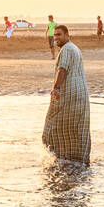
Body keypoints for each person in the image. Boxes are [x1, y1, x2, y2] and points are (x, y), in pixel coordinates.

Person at [42, 24, 91, 164]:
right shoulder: (74, 48)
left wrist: (56, 88)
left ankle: (59, 159)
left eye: (59, 35)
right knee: (76, 128)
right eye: (55, 35)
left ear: (67, 35)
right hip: (79, 96)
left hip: (69, 96)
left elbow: (62, 70)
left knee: (50, 129)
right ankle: (76, 160)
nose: (56, 37)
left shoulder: (67, 49)